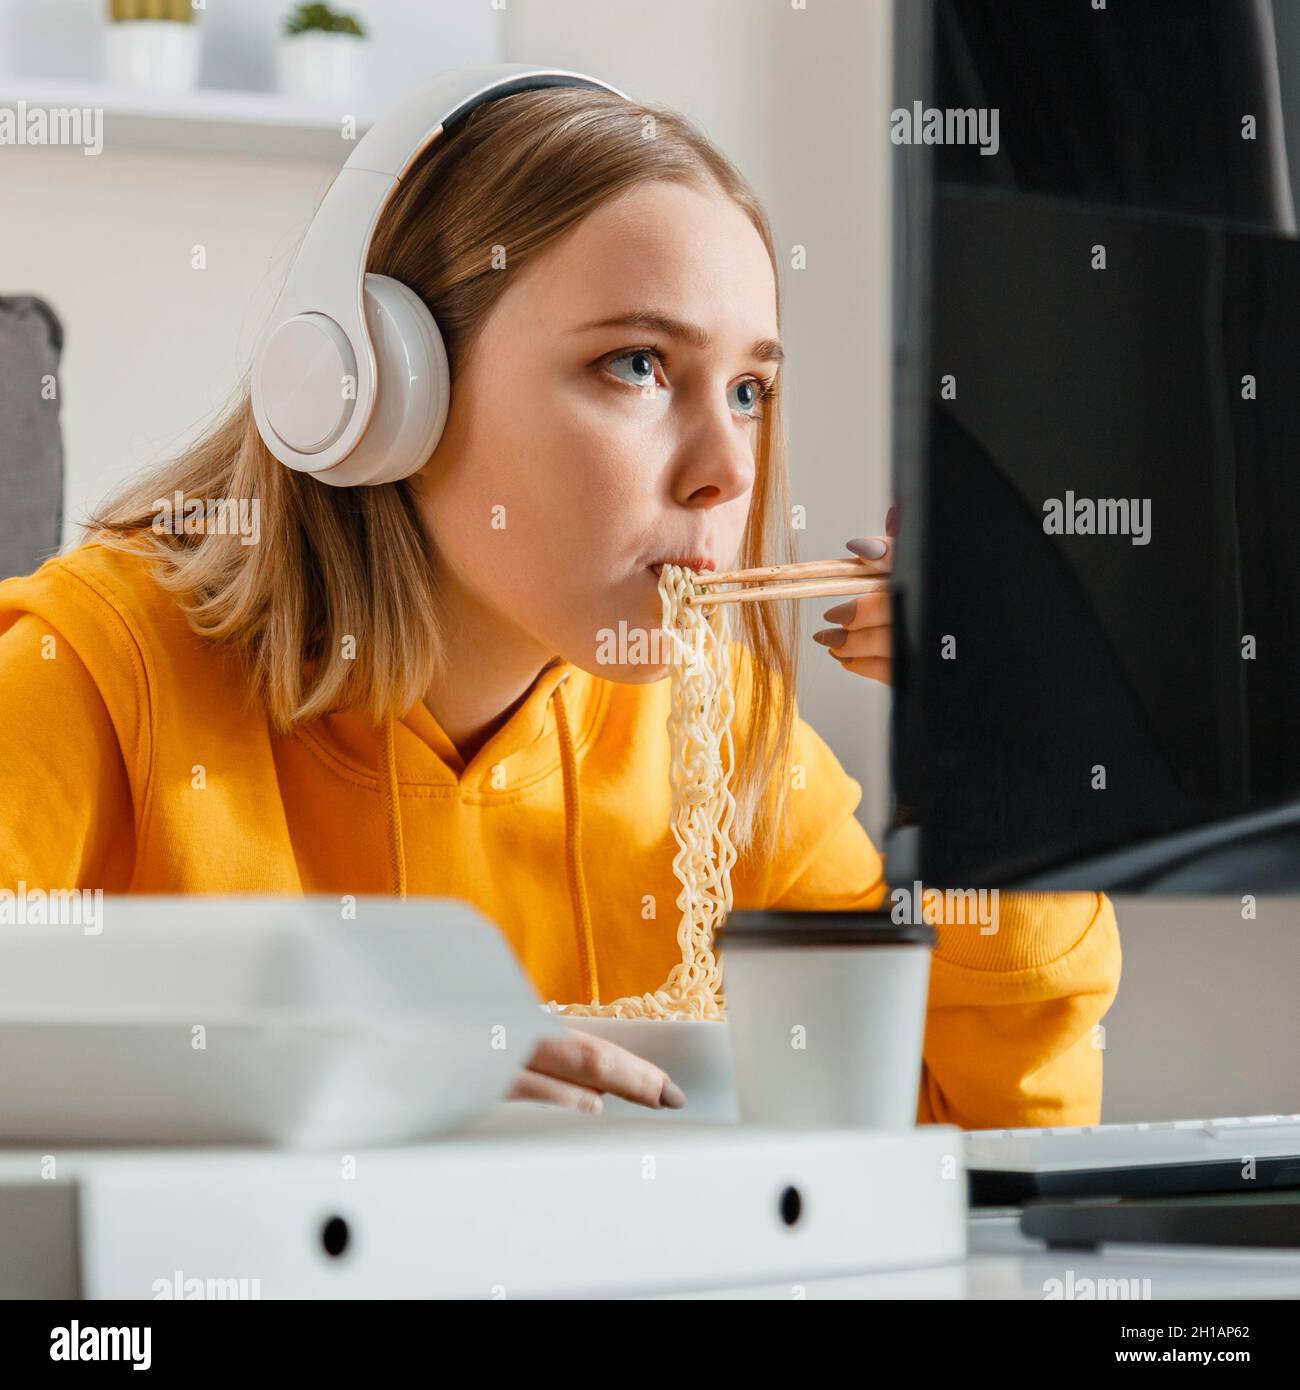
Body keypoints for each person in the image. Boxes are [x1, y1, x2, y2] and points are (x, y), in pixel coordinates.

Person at [0, 85, 1120, 1124]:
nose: (727, 469)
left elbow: (974, 1143)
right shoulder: (97, 675)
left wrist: (1012, 780)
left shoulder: (732, 749)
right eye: (636, 364)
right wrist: (298, 1056)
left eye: (749, 390)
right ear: (385, 390)